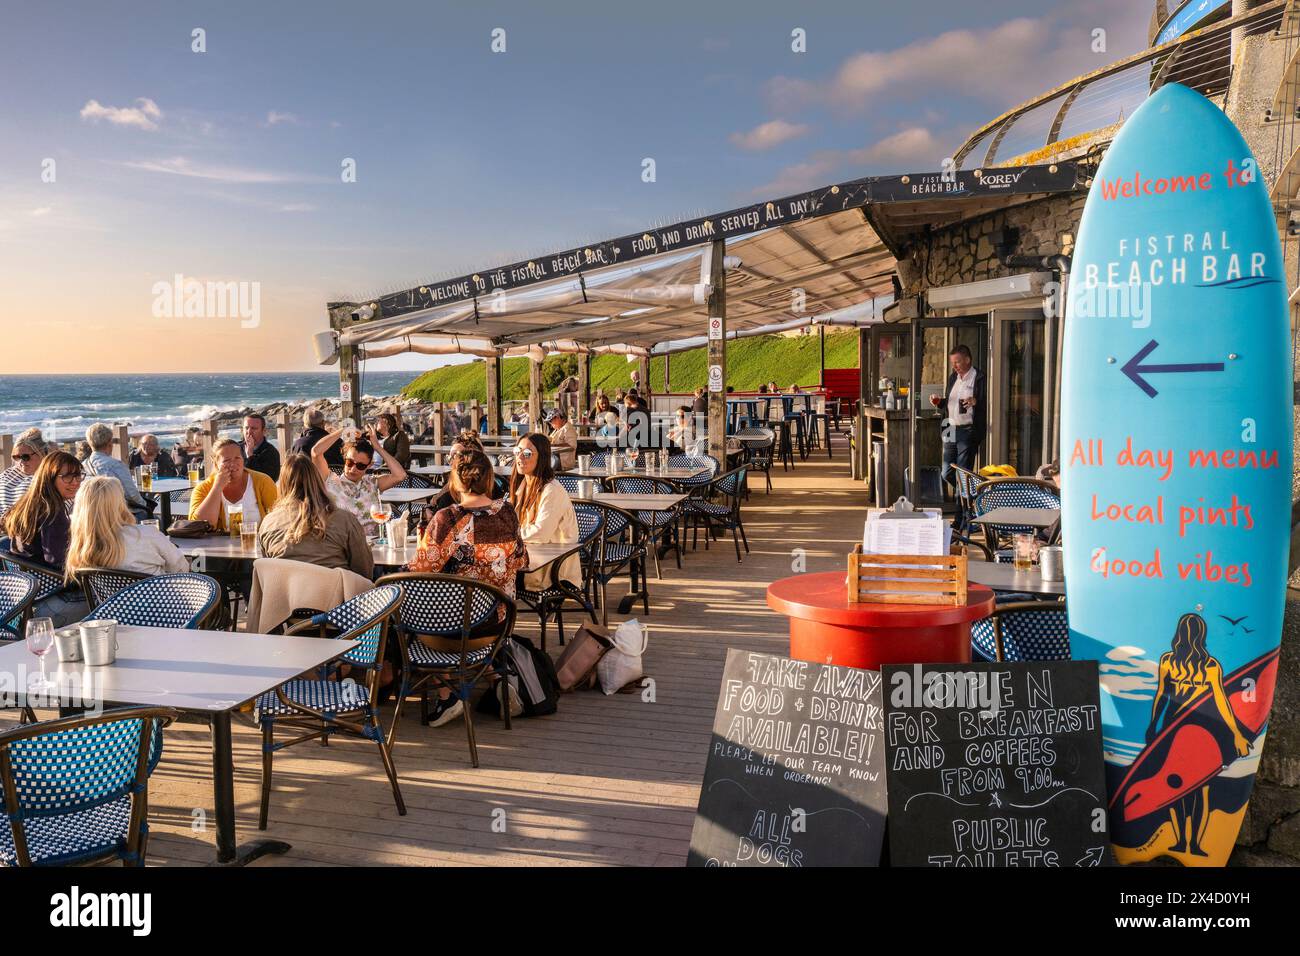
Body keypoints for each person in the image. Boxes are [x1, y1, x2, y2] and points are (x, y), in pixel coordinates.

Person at [407, 449, 528, 726]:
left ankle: (447, 693)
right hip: (498, 624)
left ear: (455, 481)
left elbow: (420, 570)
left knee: (420, 604)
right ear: (489, 480)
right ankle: (497, 679)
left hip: (453, 631)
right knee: (475, 601)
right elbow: (522, 560)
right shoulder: (508, 513)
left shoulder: (447, 518)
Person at [2, 452, 87, 625]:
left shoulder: (27, 505)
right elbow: (59, 561)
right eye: (68, 477)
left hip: (25, 601)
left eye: (78, 475)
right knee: (114, 601)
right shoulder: (52, 512)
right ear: (49, 477)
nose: (76, 482)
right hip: (52, 602)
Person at [257, 454, 373, 577]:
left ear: (282, 485)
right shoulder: (344, 520)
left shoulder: (268, 523)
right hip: (334, 593)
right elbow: (364, 571)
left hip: (285, 594)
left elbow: (267, 571)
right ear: (318, 481)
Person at [64, 476, 189, 580]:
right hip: (162, 606)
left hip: (110, 608)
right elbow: (182, 568)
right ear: (119, 503)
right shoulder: (145, 534)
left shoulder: (81, 546)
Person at [510, 433, 581, 593]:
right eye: (517, 451)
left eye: (527, 453)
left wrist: (509, 534)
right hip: (528, 561)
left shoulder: (551, 490)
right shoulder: (523, 487)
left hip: (553, 571)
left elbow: (541, 533)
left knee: (492, 577)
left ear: (542, 457)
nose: (520, 457)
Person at [310, 424, 407, 535]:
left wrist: (378, 447)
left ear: (370, 465)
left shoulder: (372, 483)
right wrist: (343, 430)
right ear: (344, 458)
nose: (353, 469)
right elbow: (316, 452)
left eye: (361, 465)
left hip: (371, 545)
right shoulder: (331, 482)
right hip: (341, 545)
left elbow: (400, 475)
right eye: (349, 462)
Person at [189, 437, 279, 533]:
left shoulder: (262, 481)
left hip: (256, 545)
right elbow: (198, 526)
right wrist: (217, 488)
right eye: (226, 460)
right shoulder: (203, 489)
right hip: (219, 547)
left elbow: (278, 517)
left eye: (237, 458)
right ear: (215, 464)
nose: (233, 464)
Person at [939, 344, 987, 489]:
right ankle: (968, 495)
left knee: (963, 473)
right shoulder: (953, 377)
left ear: (967, 360)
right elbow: (949, 403)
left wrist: (975, 401)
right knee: (946, 472)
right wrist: (940, 402)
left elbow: (989, 403)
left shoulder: (979, 377)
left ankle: (962, 509)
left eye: (957, 362)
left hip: (967, 429)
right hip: (949, 427)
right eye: (952, 362)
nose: (954, 366)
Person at [83, 423, 150, 521]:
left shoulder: (84, 465)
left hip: (92, 515)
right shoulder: (115, 465)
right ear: (110, 442)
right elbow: (131, 494)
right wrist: (145, 506)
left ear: (89, 443)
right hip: (115, 516)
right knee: (155, 519)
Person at [0, 428, 47, 519]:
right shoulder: (7, 475)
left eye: (25, 457)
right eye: (16, 457)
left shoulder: (50, 477)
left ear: (41, 453)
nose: (21, 462)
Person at [240, 414, 281, 482]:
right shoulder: (236, 448)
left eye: (254, 428)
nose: (249, 432)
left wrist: (250, 456)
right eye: (246, 428)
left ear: (264, 431)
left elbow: (269, 480)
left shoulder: (271, 452)